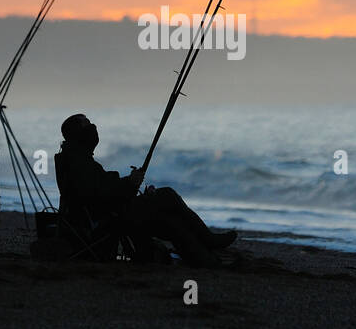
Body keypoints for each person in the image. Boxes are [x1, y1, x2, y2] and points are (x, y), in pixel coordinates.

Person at [54, 113, 236, 266]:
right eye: (87, 126)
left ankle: (204, 257)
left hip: (110, 213)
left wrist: (130, 185)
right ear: (78, 134)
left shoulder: (77, 159)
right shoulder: (76, 162)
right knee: (167, 196)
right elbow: (98, 194)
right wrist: (130, 184)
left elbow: (101, 188)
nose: (93, 127)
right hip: (108, 220)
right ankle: (209, 243)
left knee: (169, 220)